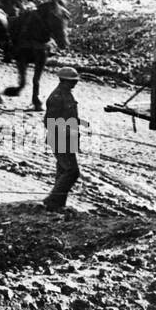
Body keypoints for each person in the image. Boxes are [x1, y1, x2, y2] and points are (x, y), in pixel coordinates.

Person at [42, 67, 87, 212]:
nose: (75, 84)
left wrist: (81, 123)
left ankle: (58, 204)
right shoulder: (57, 97)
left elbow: (69, 115)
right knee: (72, 172)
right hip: (59, 139)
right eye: (72, 82)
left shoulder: (67, 94)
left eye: (75, 81)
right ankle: (52, 200)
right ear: (63, 81)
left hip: (68, 139)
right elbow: (49, 121)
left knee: (63, 171)